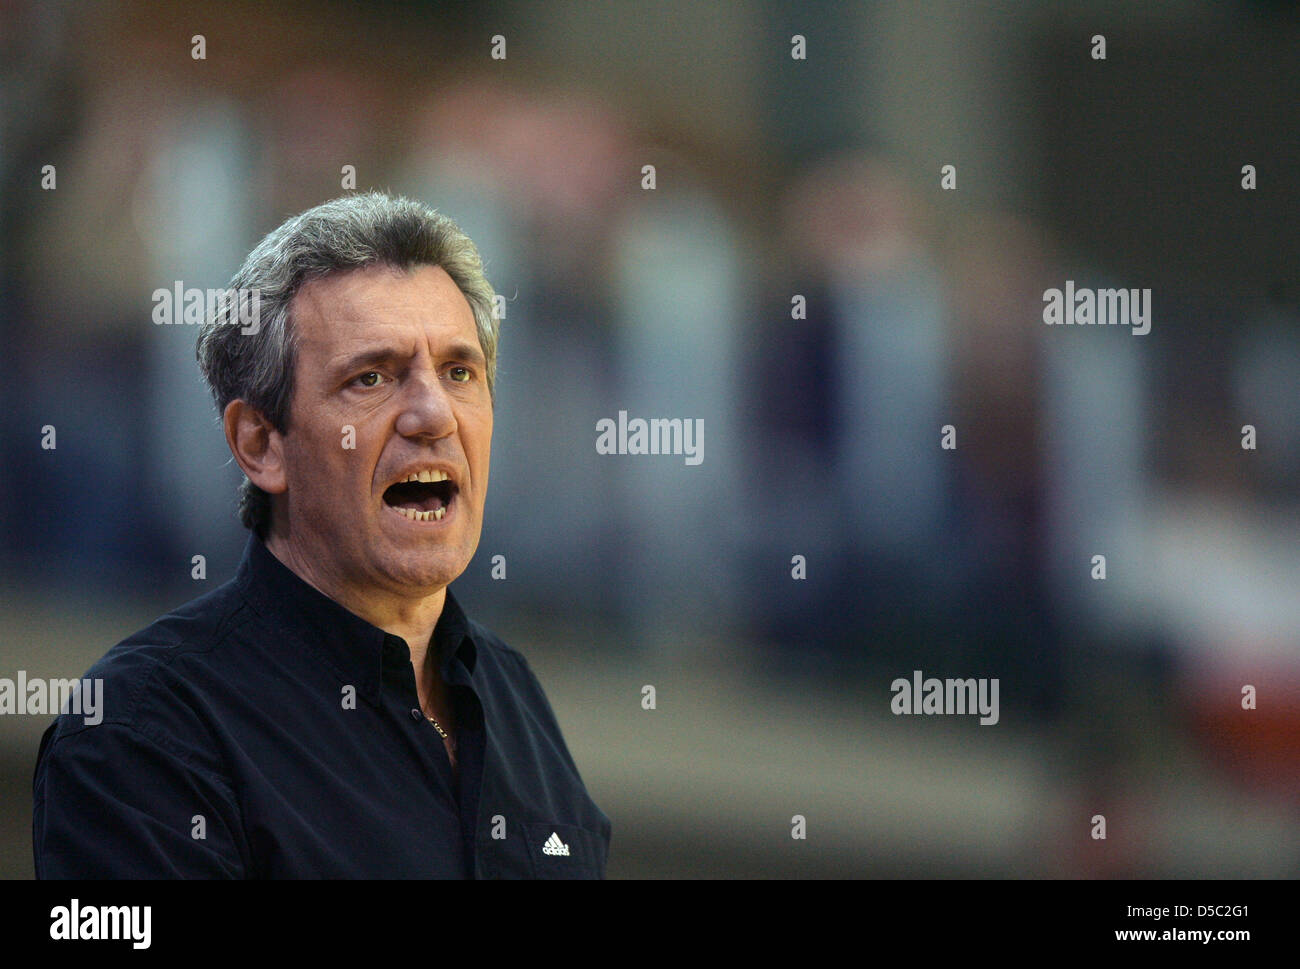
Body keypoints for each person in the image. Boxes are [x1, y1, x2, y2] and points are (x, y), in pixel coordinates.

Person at [32, 192, 611, 878]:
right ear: (261, 443)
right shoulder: (144, 732)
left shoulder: (515, 698)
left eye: (459, 372)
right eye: (371, 377)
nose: (433, 414)